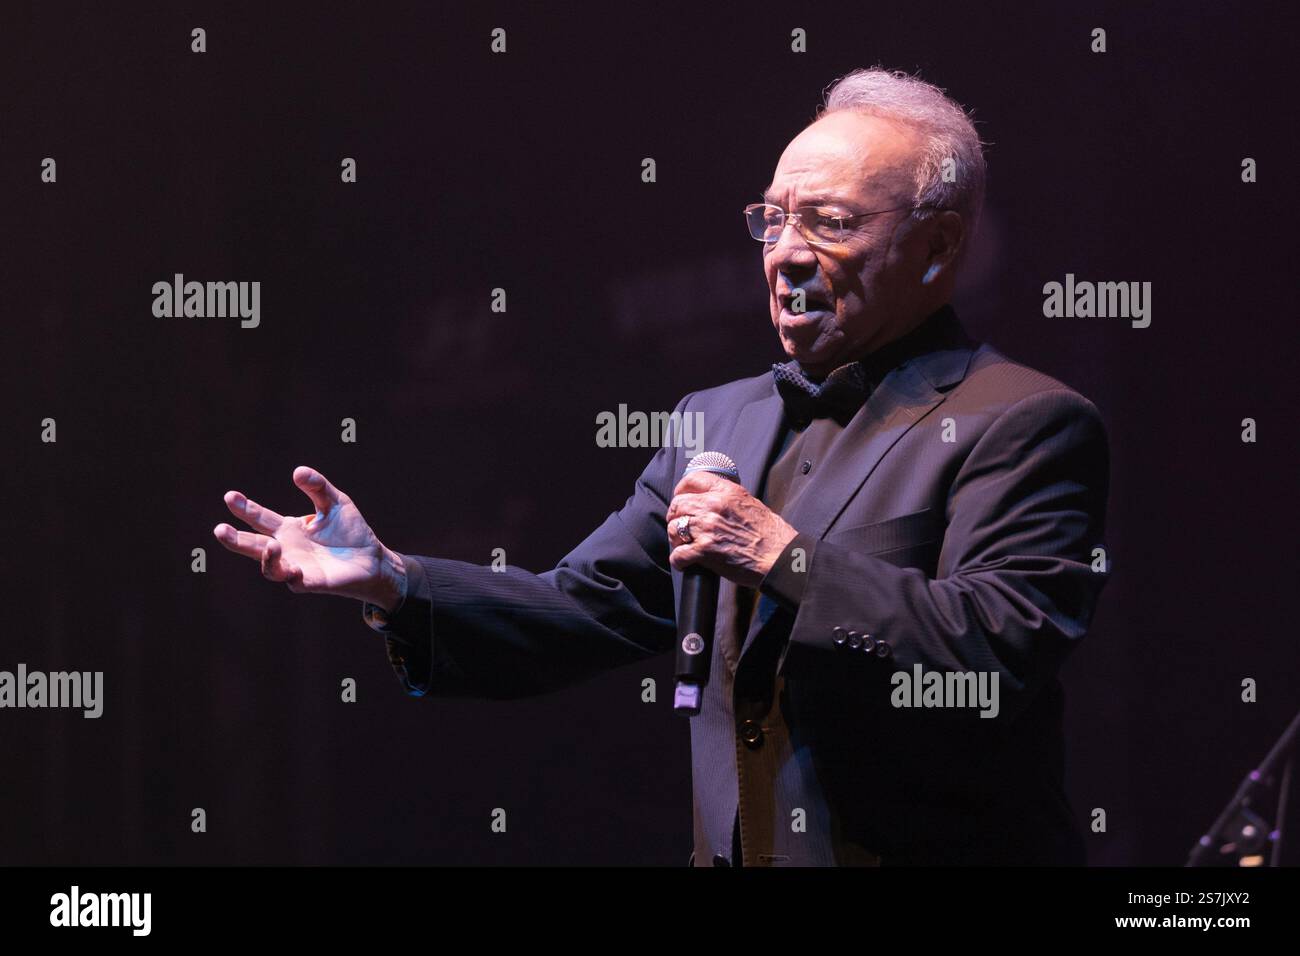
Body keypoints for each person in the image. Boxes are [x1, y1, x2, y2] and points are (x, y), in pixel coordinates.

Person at [214, 68, 1110, 866]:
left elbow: (992, 653)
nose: (787, 251)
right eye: (773, 219)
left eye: (830, 223)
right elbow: (584, 608)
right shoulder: (715, 421)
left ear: (940, 245)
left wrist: (783, 559)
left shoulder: (1022, 421)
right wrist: (395, 584)